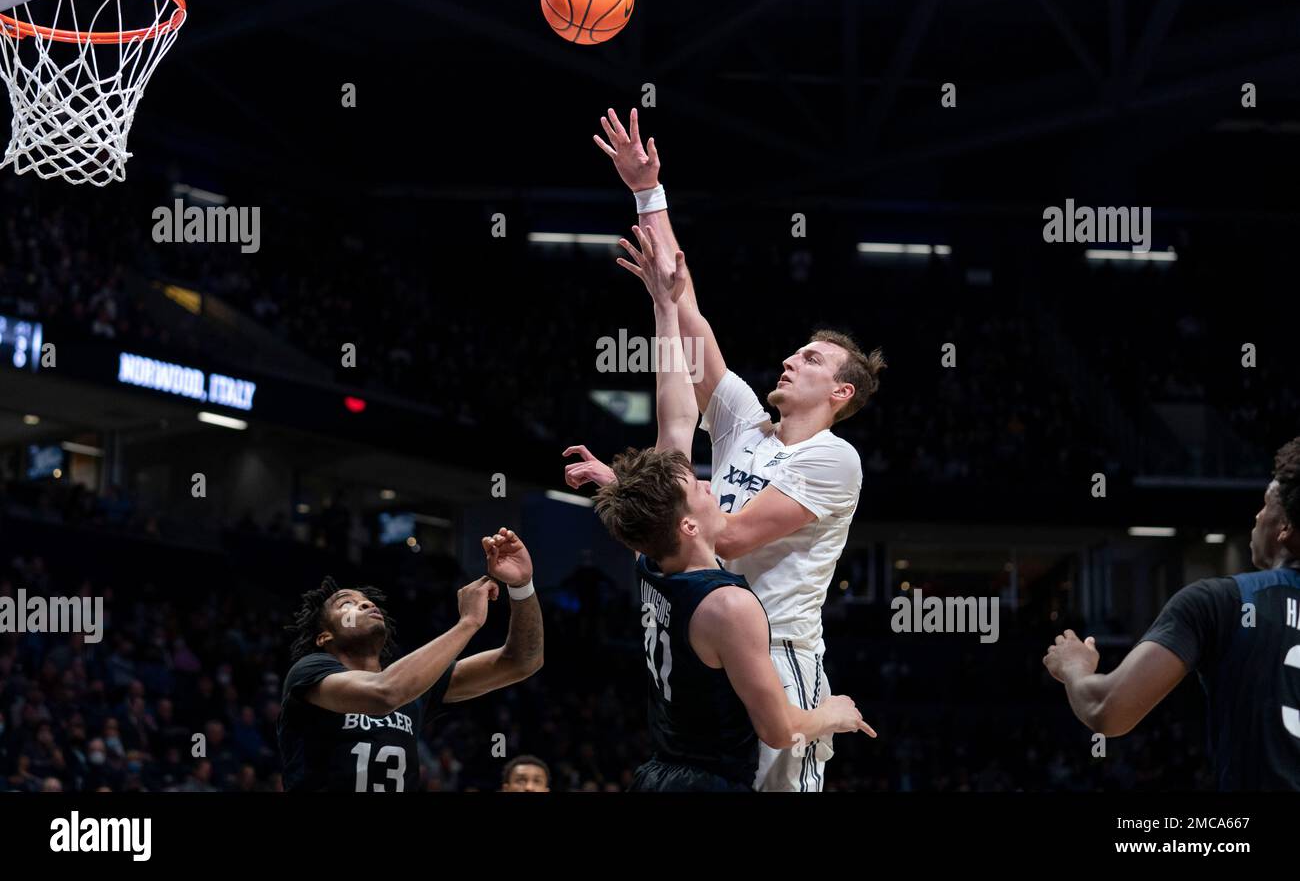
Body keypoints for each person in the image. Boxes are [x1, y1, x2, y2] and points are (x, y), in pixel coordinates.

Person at [585, 108, 885, 791]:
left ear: (840, 392)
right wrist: (647, 195)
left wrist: (645, 493)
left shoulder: (835, 460)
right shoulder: (747, 421)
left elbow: (734, 537)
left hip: (777, 651)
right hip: (708, 639)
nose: (789, 359)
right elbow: (686, 316)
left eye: (809, 359)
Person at [1044, 437, 1300, 790]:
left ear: (1285, 526)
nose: (1257, 516)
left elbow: (1108, 709)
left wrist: (1074, 666)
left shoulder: (1223, 600)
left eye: (1265, 504)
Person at [278, 529, 543, 791]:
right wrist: (469, 622)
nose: (367, 605)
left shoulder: (415, 685)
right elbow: (385, 693)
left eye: (369, 602)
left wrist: (521, 587)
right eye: (347, 603)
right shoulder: (310, 672)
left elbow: (522, 661)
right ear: (324, 636)